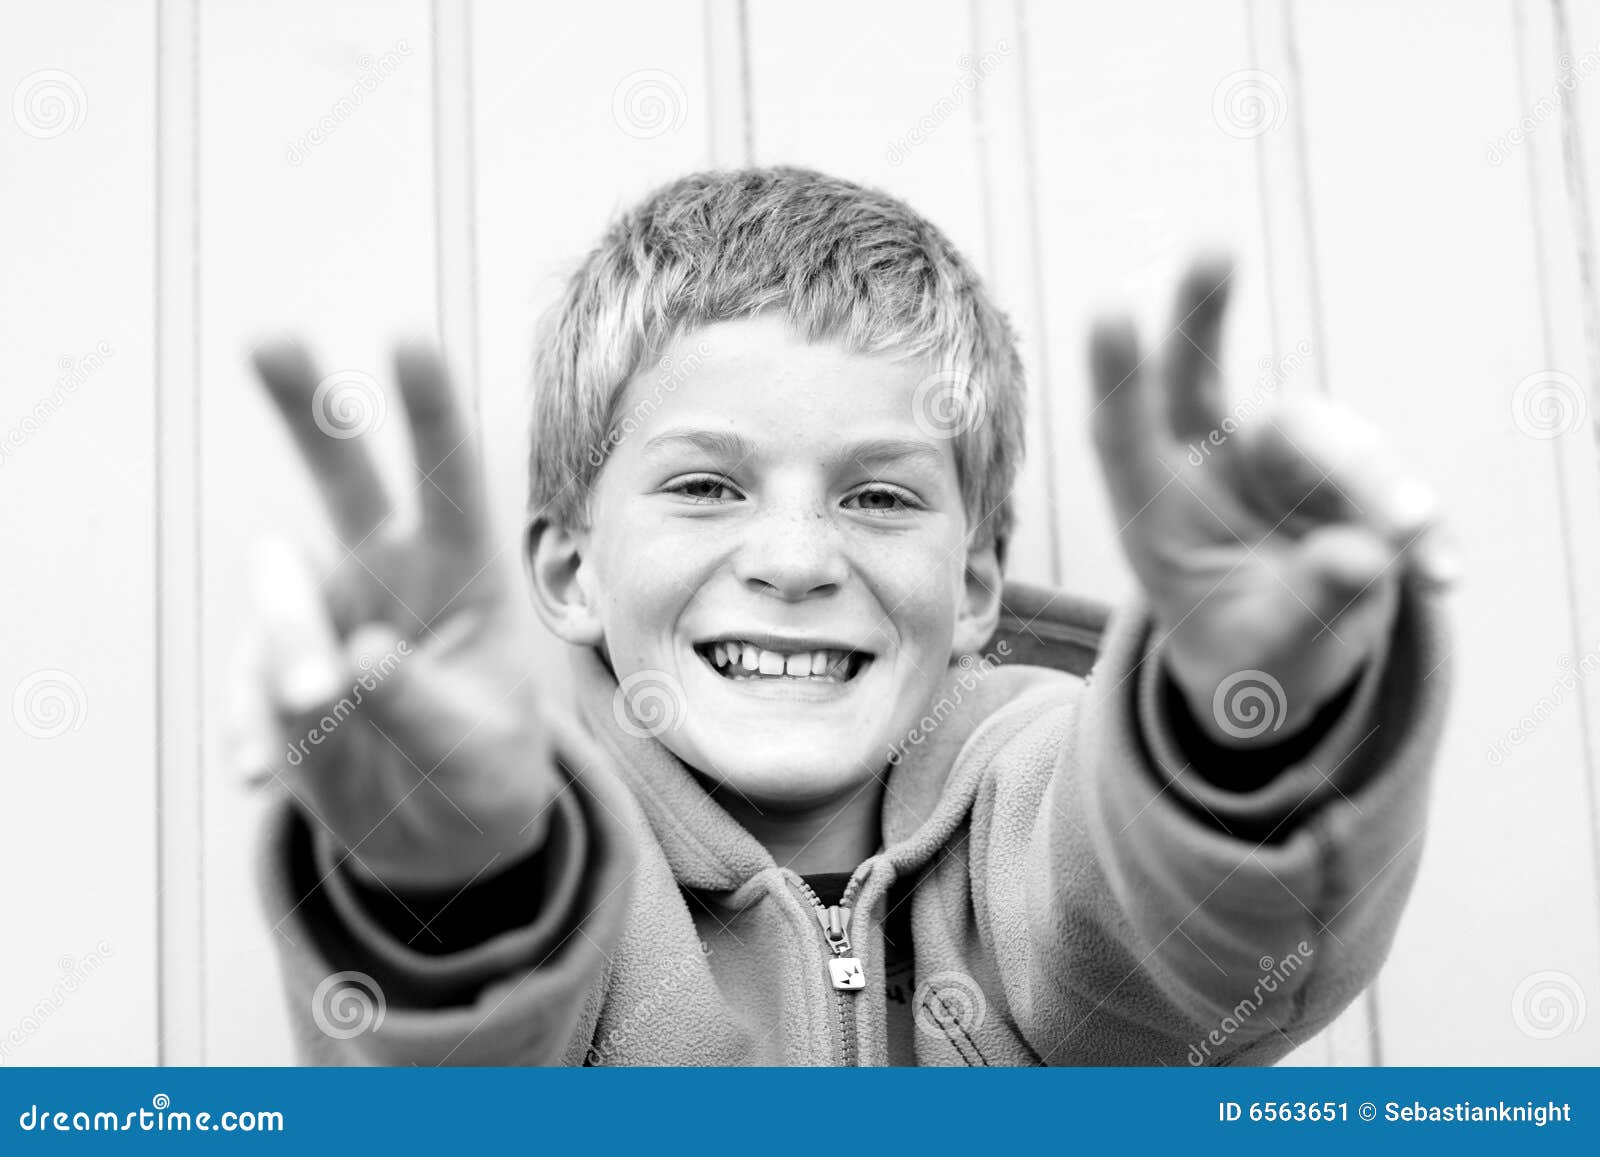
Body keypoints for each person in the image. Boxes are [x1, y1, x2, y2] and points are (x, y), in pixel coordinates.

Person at [241, 167, 1452, 1065]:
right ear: (570, 572)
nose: (794, 558)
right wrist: (466, 887)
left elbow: (1176, 937)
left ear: (975, 585)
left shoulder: (1034, 817)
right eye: (706, 485)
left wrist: (1244, 721)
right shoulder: (554, 861)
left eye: (876, 495)